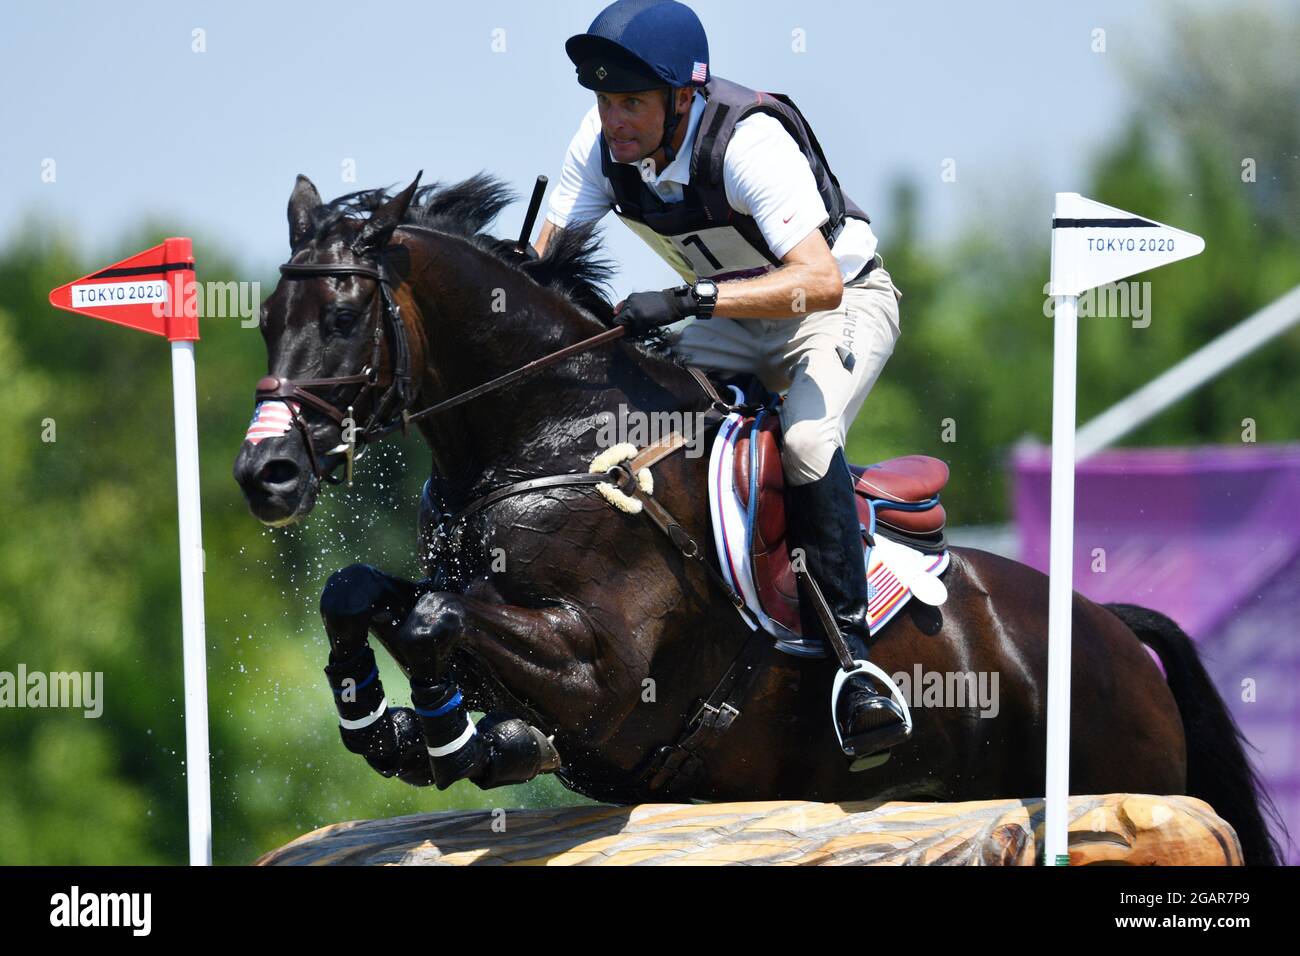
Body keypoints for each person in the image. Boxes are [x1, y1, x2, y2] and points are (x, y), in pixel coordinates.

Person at [534, 0, 909, 760]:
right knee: (640, 437)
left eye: (631, 102)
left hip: (834, 307)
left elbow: (818, 282)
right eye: (606, 101)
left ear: (682, 98)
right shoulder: (601, 145)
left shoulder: (747, 145)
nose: (615, 120)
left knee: (804, 442)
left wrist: (688, 299)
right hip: (733, 318)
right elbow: (543, 267)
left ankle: (855, 666)